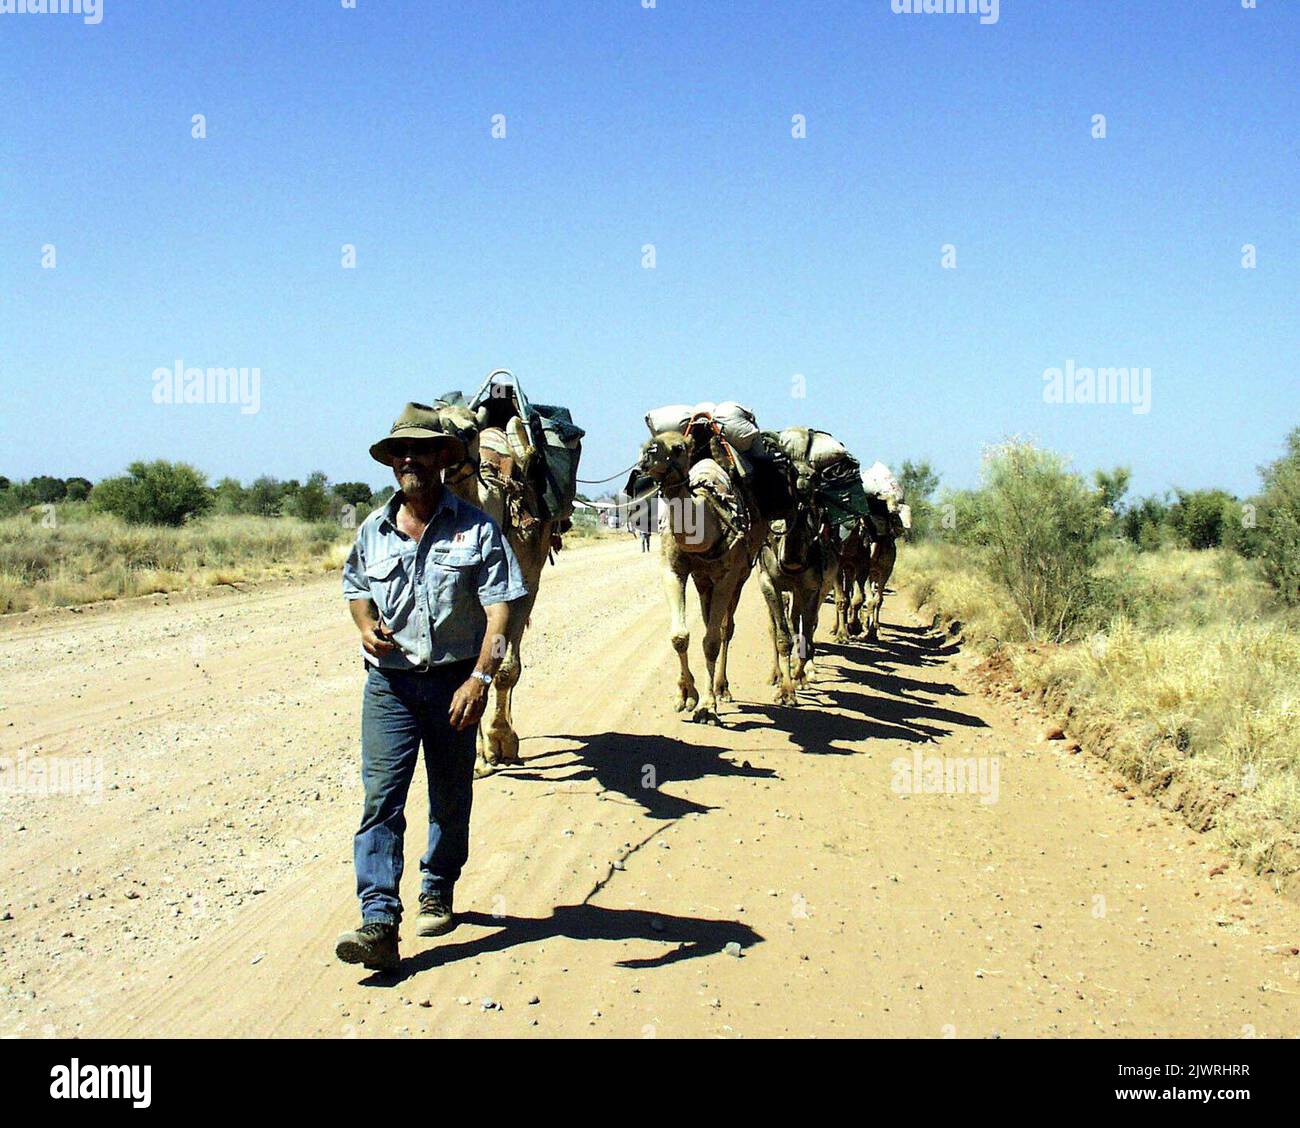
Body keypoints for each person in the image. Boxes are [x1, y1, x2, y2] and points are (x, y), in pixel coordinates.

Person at [334, 403, 528, 971]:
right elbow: (355, 587)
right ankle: (378, 921)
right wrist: (366, 626)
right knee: (381, 800)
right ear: (391, 463)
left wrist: (481, 677)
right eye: (401, 451)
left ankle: (438, 884)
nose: (410, 459)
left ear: (444, 458)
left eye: (421, 449)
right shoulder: (373, 529)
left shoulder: (477, 528)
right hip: (389, 688)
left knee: (449, 796)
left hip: (454, 684)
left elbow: (501, 615)